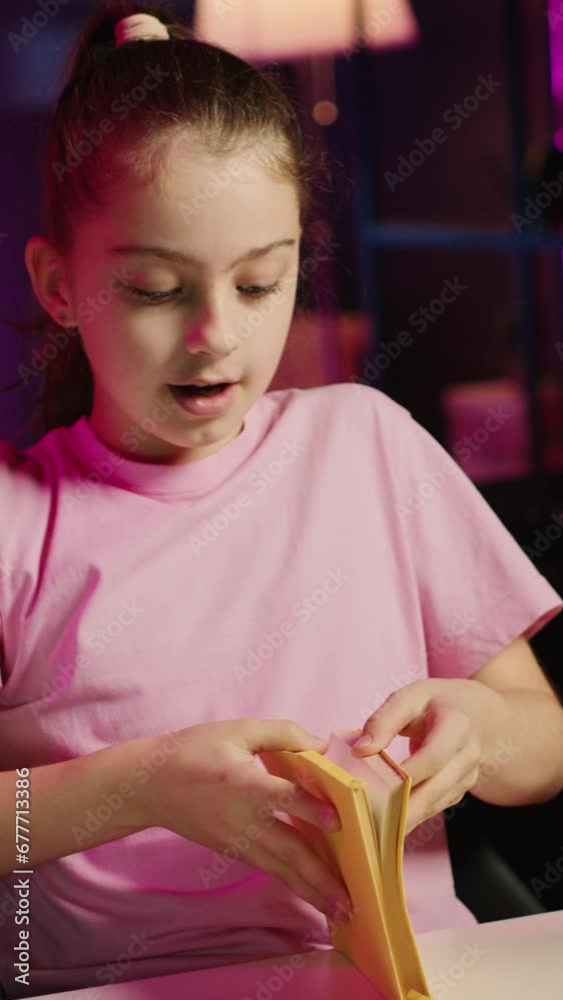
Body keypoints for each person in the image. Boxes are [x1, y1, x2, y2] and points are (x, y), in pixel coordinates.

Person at [1, 3, 563, 996]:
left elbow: (542, 743)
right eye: (154, 290)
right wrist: (147, 784)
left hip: (412, 972)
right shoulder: (22, 515)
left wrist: (481, 725)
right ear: (57, 283)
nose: (215, 333)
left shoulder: (366, 445)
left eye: (259, 283)